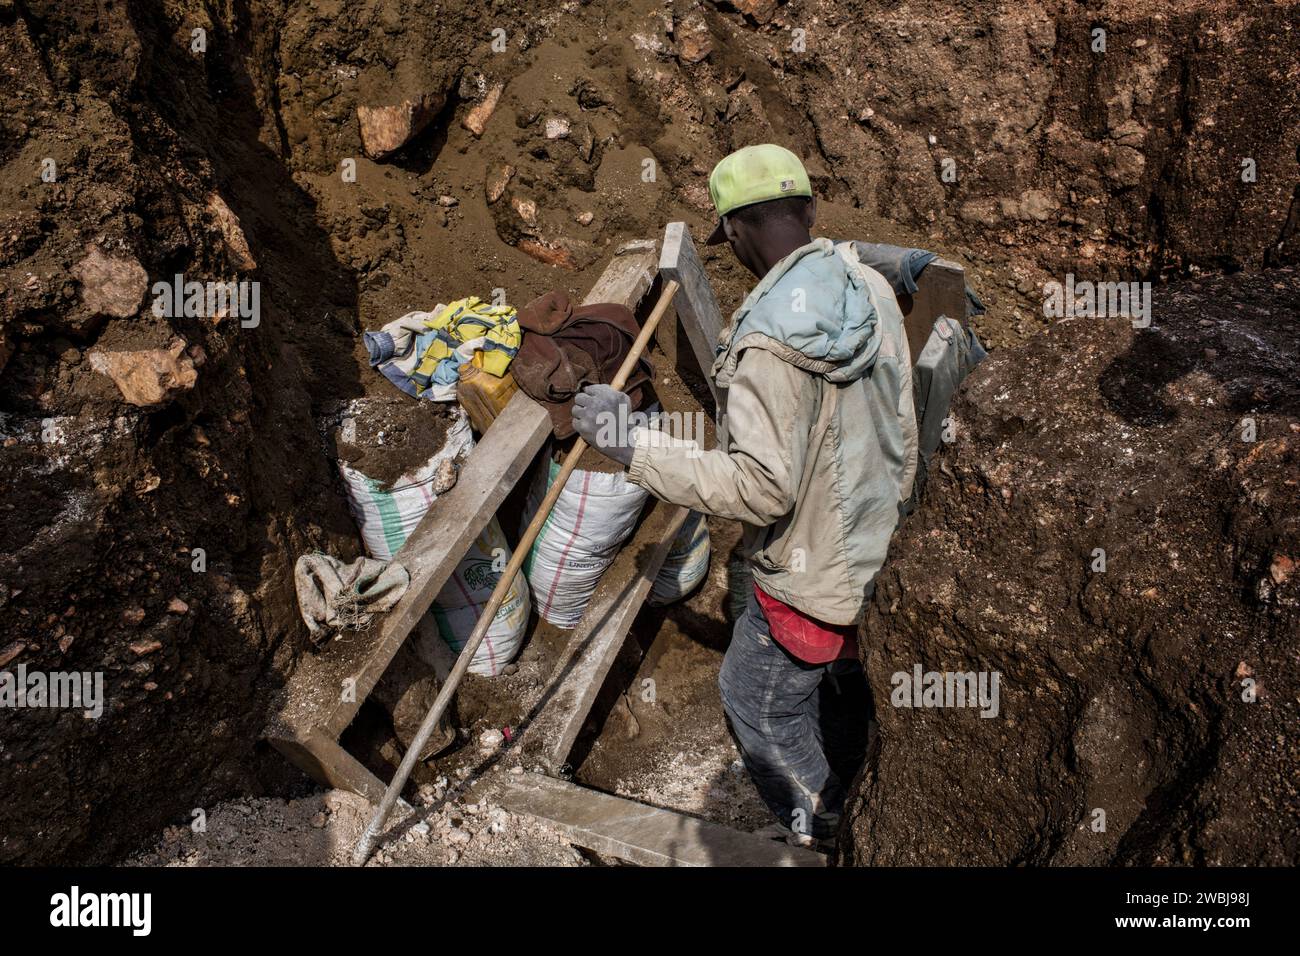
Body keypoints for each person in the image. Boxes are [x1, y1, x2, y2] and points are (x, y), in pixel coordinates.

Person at [571, 144, 918, 848]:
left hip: (814, 578)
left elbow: (760, 489)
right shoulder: (869, 285)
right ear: (811, 210)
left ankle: (823, 827)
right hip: (884, 548)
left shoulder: (764, 346)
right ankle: (857, 777)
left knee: (755, 703)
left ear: (731, 233)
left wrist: (631, 444)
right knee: (845, 687)